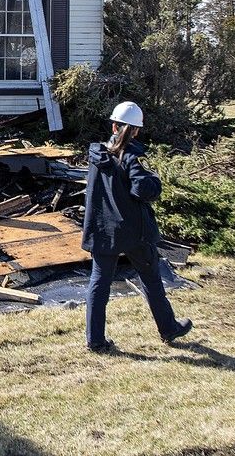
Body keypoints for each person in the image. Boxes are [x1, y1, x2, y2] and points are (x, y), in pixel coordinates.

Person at [82, 101, 192, 352]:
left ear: (113, 125)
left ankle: (95, 340)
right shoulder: (131, 156)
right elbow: (142, 189)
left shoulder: (97, 155)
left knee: (99, 283)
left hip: (103, 229)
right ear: (136, 131)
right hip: (134, 231)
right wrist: (155, 181)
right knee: (151, 280)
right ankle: (169, 328)